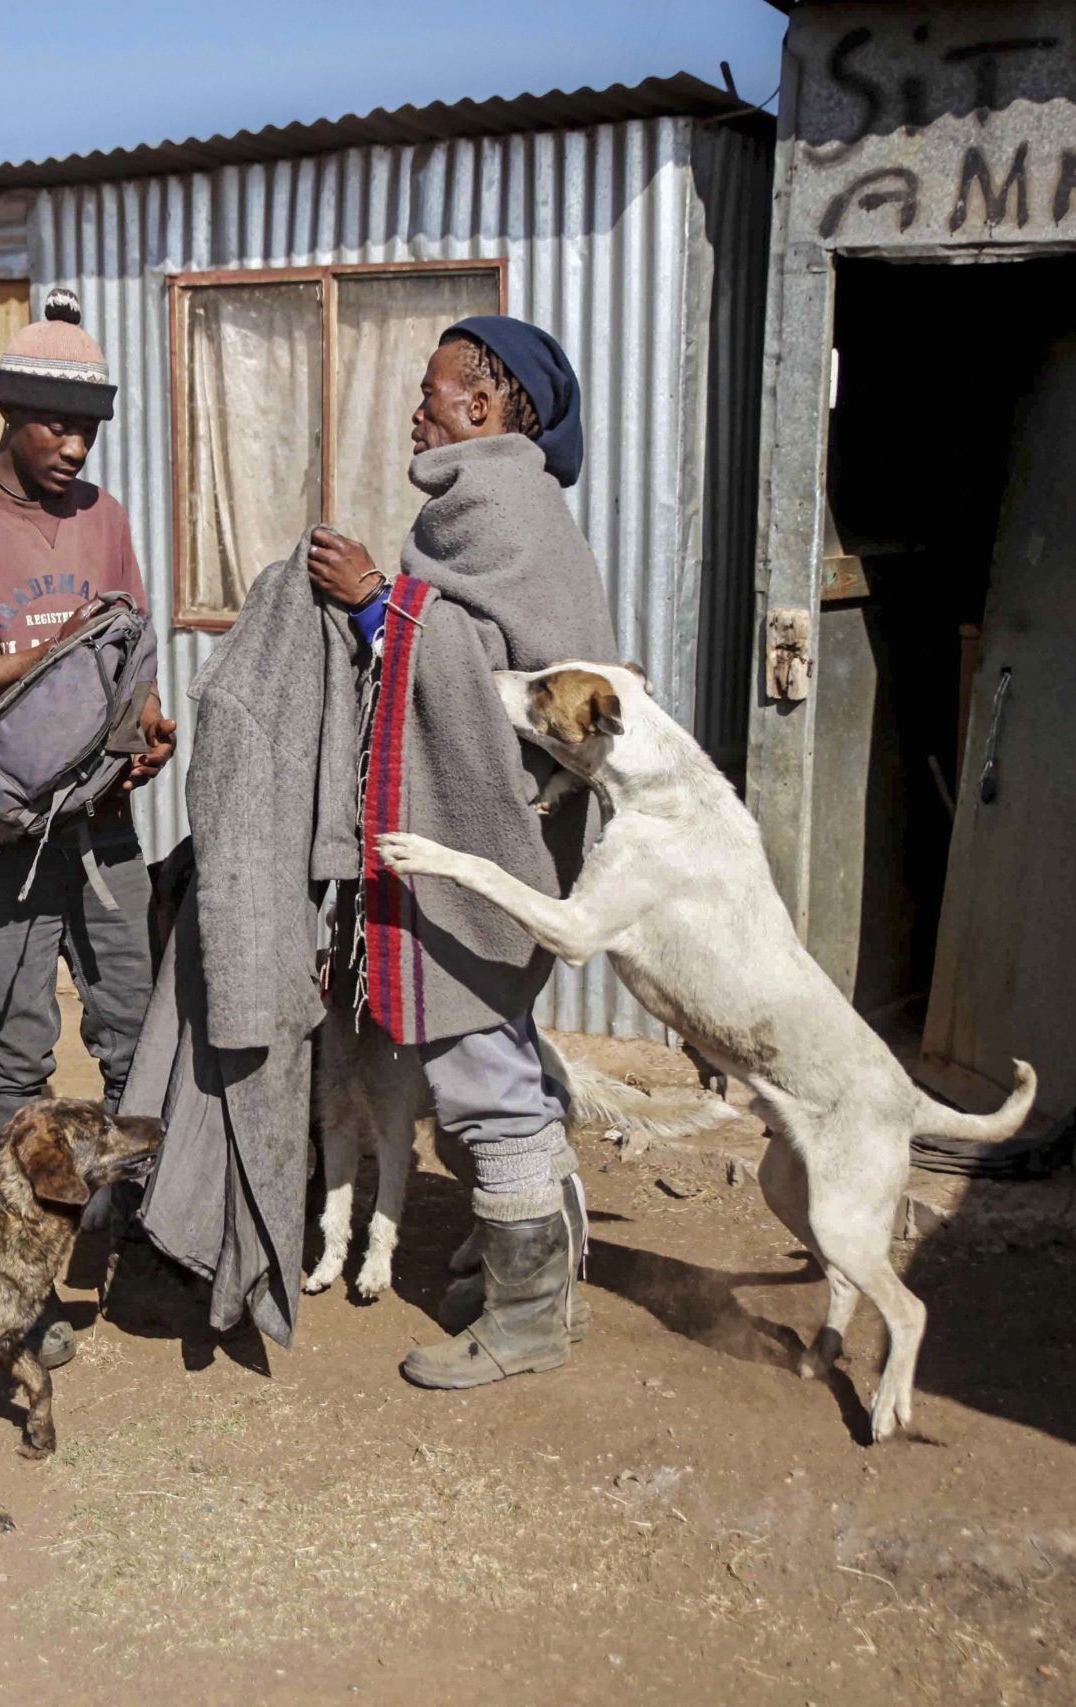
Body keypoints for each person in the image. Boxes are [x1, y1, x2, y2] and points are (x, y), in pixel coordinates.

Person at [305, 316, 615, 1390]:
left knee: (482, 1076)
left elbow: (532, 685)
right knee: (503, 1051)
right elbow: (475, 652)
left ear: (481, 407)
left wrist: (374, 603)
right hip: (481, 830)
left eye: (431, 391)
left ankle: (529, 1321)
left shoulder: (507, 506)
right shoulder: (482, 509)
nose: (416, 407)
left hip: (493, 832)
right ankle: (528, 1273)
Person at [0, 287, 177, 1367]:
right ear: (9, 415)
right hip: (0, 840)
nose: (75, 445)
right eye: (57, 423)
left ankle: (136, 1246)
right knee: (13, 1062)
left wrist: (145, 731)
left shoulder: (102, 520)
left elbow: (129, 657)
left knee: (133, 1043)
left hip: (103, 834)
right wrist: (34, 666)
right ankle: (8, 1291)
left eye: (91, 427)